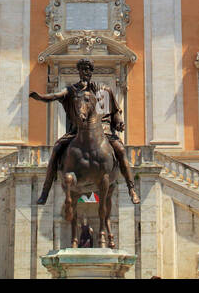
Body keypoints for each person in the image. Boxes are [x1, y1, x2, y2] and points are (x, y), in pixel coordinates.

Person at [30, 58, 139, 206]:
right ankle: (45, 191)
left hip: (104, 130)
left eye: (88, 69)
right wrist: (41, 97)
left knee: (120, 150)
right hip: (77, 130)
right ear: (79, 71)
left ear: (92, 72)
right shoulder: (72, 90)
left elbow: (115, 111)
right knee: (56, 149)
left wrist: (119, 121)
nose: (86, 72)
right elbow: (55, 96)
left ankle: (131, 188)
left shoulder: (104, 90)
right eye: (83, 69)